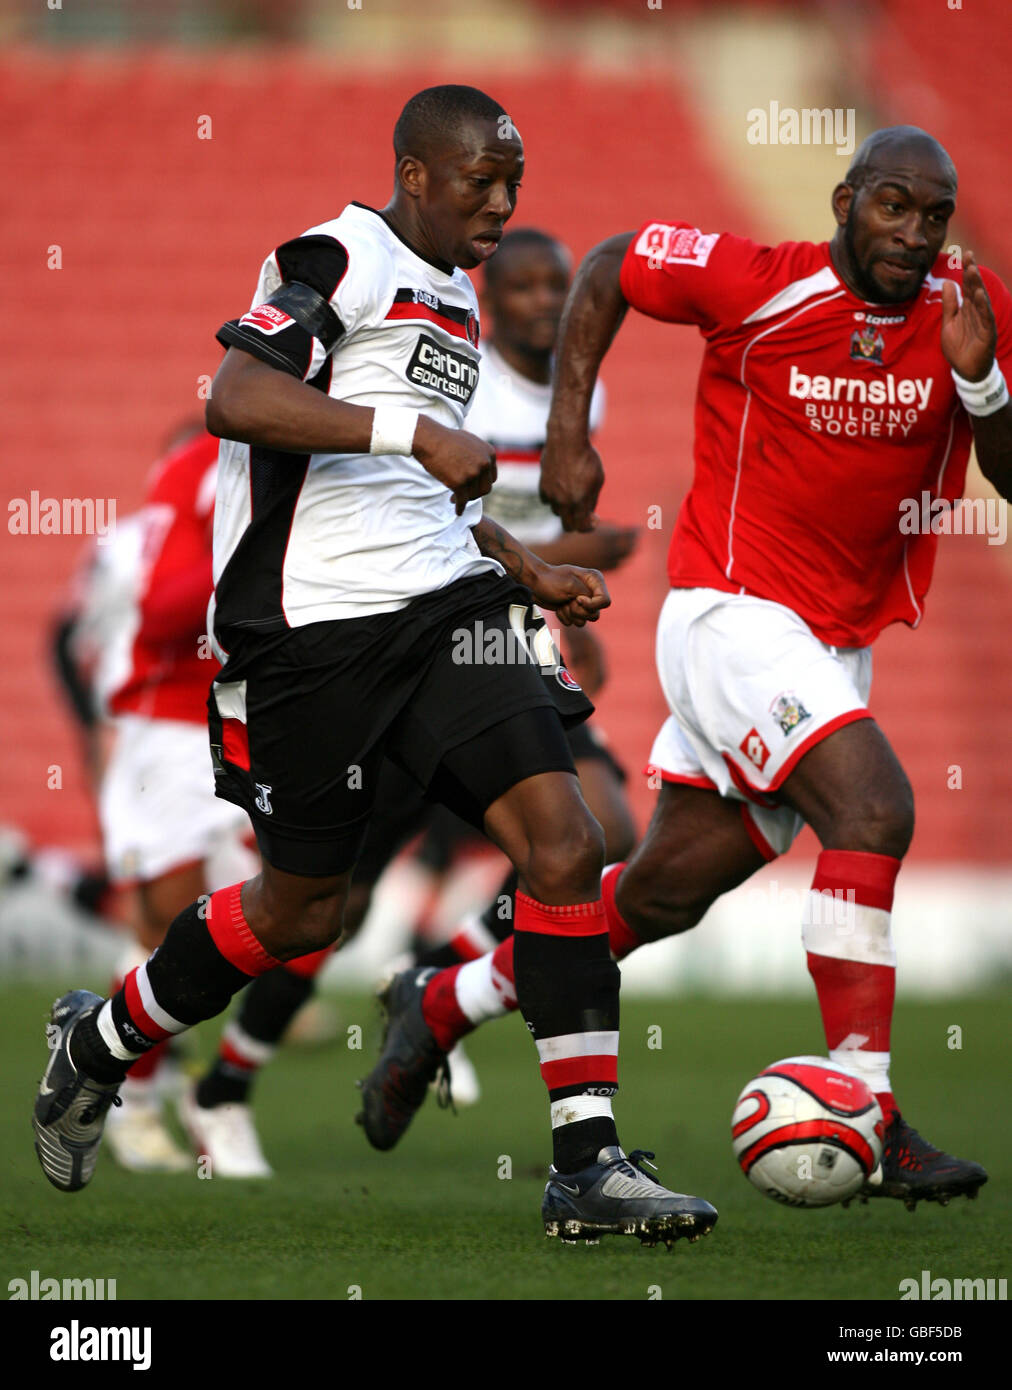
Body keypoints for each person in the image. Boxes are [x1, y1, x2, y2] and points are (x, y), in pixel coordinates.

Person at [33, 84, 717, 1247]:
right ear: (415, 174)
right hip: (311, 640)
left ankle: (586, 1166)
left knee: (569, 841)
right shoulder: (330, 256)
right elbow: (237, 397)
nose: (501, 206)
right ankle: (100, 1045)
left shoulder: (451, 296)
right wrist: (412, 432)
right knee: (299, 912)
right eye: (481, 183)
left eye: (515, 186)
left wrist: (524, 564)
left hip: (445, 616)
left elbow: (417, 499)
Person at [364, 126, 1007, 1211]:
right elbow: (613, 263)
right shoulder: (761, 281)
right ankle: (868, 1103)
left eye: (932, 214)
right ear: (846, 200)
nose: (911, 232)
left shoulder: (960, 307)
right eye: (892, 205)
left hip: (833, 646)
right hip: (733, 615)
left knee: (662, 894)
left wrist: (982, 380)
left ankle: (443, 1000)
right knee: (876, 808)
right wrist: (568, 430)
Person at [356, 227, 639, 1135]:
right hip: (427, 632)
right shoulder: (459, 376)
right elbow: (440, 515)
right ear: (491, 292)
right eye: (524, 285)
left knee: (596, 834)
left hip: (509, 631)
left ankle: (437, 982)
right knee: (316, 900)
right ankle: (223, 1087)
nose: (548, 301)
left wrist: (556, 603)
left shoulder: (577, 395)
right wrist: (562, 560)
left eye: (560, 284)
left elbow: (531, 517)